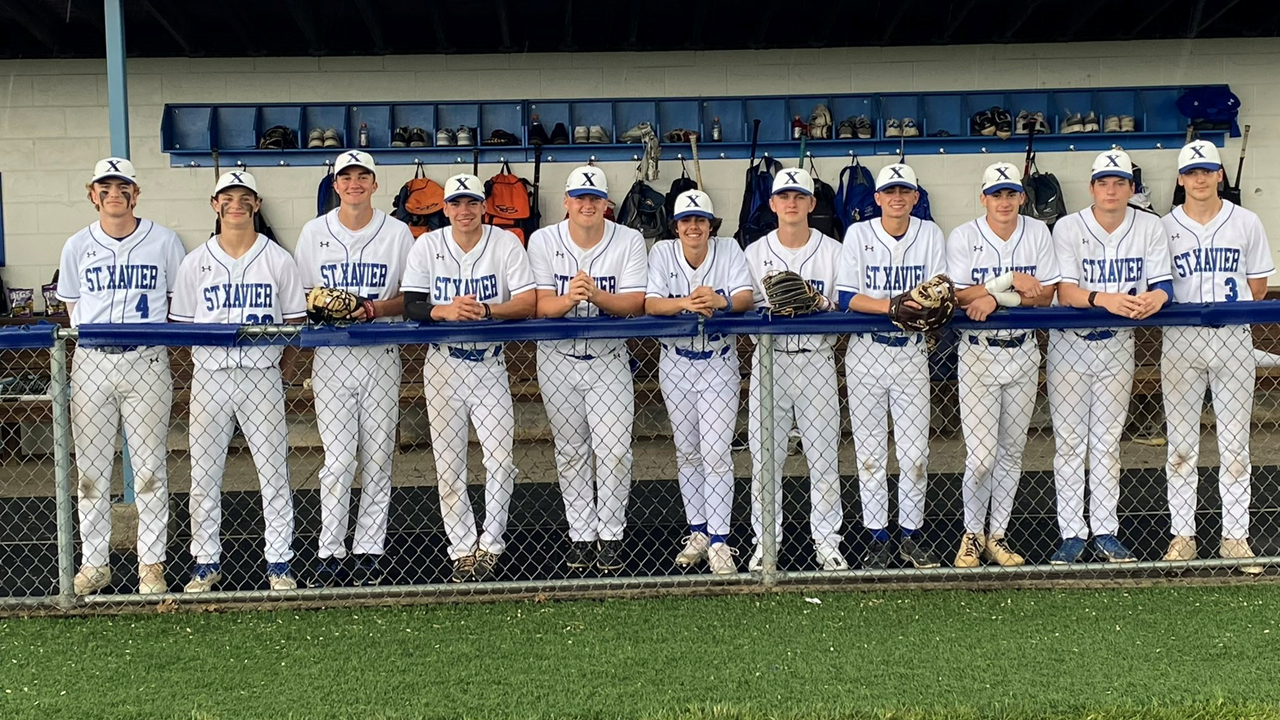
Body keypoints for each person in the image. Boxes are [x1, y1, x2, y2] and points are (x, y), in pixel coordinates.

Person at [169, 170, 307, 592]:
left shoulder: (277, 258)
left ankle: (279, 561)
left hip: (261, 375)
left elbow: (295, 324)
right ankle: (205, 561)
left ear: (256, 204)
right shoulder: (196, 261)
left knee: (274, 472)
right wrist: (199, 368)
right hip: (210, 377)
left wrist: (281, 372)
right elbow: (182, 327)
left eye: (244, 197)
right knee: (203, 474)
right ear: (215, 205)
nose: (236, 204)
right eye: (227, 198)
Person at [56, 157, 186, 596]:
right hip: (92, 361)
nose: (115, 194)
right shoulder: (77, 244)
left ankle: (151, 564)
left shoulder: (164, 241)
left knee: (150, 469)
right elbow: (73, 307)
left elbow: (176, 300)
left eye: (122, 186)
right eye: (106, 187)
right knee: (90, 471)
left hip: (146, 359)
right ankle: (95, 563)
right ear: (93, 194)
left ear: (136, 193)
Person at [402, 173, 536, 582]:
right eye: (457, 203)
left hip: (490, 363)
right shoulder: (427, 245)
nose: (465, 210)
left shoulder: (506, 243)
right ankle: (461, 548)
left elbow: (527, 302)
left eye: (472, 202)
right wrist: (444, 311)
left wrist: (488, 311)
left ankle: (491, 544)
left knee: (501, 461)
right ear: (445, 209)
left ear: (484, 206)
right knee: (449, 465)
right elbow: (411, 304)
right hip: (443, 365)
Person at [294, 150, 415, 587]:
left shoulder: (398, 232)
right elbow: (302, 294)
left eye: (363, 176)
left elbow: (413, 296)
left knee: (378, 456)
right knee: (339, 459)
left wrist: (374, 308)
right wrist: (323, 306)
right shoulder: (314, 232)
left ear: (375, 184)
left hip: (381, 351)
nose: (354, 183)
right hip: (331, 356)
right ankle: (330, 549)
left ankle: (369, 548)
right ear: (336, 185)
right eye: (346, 177)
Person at [1048, 149, 1172, 564]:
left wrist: (1156, 298)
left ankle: (1104, 530)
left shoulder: (1149, 225)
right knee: (1069, 443)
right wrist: (1106, 299)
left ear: (1132, 188)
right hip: (1070, 344)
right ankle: (1071, 532)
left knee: (1106, 443)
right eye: (1104, 182)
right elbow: (1065, 292)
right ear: (1092, 188)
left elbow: (1164, 284)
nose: (1111, 190)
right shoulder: (1068, 226)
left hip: (1118, 344)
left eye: (1120, 183)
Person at [526, 166, 647, 573]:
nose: (587, 204)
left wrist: (595, 295)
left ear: (606, 203)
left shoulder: (628, 239)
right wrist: (568, 299)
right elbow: (540, 306)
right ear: (567, 202)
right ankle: (580, 534)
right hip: (557, 358)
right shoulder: (543, 239)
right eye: (580, 197)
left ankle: (611, 534)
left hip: (608, 358)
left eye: (595, 198)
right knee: (571, 451)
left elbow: (635, 303)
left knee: (614, 451)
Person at [1161, 140, 1273, 574]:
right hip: (1181, 341)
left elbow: (1258, 286)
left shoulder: (1245, 221)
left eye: (1207, 171)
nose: (1200, 179)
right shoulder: (1164, 227)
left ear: (1219, 175)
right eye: (1192, 172)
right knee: (1180, 446)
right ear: (1180, 178)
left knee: (1235, 446)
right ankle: (1182, 534)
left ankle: (1235, 537)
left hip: (1232, 339)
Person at [945, 162, 1060, 568]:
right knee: (981, 457)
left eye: (1011, 193)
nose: (1004, 201)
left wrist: (996, 298)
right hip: (977, 352)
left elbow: (1046, 296)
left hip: (1024, 350)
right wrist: (1008, 279)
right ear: (983, 199)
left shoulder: (1038, 232)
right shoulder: (964, 235)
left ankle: (997, 535)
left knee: (1011, 452)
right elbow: (957, 296)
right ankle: (971, 534)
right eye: (996, 194)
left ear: (1022, 197)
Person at [835, 162, 946, 569]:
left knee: (915, 454)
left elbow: (940, 290)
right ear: (878, 198)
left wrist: (926, 307)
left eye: (905, 191)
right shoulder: (858, 233)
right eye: (890, 191)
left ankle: (911, 534)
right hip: (866, 352)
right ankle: (878, 537)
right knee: (870, 454)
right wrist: (892, 306)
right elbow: (846, 296)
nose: (897, 197)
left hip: (911, 352)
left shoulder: (929, 233)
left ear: (915, 197)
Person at [742, 167, 846, 572]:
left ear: (811, 203)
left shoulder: (833, 250)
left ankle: (827, 542)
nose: (791, 203)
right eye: (784, 196)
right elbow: (744, 306)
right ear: (772, 204)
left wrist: (818, 303)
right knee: (765, 460)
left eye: (799, 196)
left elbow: (844, 307)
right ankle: (766, 542)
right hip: (771, 361)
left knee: (824, 458)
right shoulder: (754, 252)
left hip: (817, 360)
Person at [646, 189, 753, 574]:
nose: (693, 226)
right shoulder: (662, 252)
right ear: (676, 226)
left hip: (718, 361)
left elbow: (745, 297)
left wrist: (721, 301)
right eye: (686, 220)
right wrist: (685, 303)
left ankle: (721, 540)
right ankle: (699, 532)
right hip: (676, 361)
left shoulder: (728, 249)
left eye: (700, 220)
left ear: (711, 225)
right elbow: (650, 303)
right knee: (689, 452)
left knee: (716, 453)